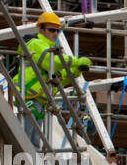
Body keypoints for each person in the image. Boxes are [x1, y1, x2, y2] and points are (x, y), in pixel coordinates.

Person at [17, 11, 90, 142]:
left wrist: (76, 70)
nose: (55, 34)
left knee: (34, 141)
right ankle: (20, 160)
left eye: (58, 31)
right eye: (52, 30)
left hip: (39, 99)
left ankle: (30, 161)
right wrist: (77, 61)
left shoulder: (51, 49)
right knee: (25, 139)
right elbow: (51, 63)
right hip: (29, 96)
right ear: (41, 29)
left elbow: (60, 78)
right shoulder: (35, 43)